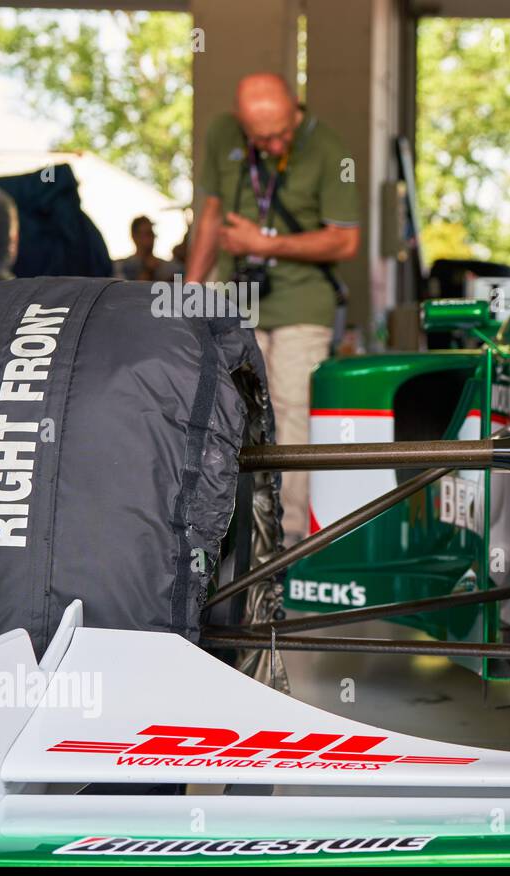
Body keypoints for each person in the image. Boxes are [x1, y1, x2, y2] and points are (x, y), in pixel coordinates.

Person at [187, 73, 361, 545]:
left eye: (283, 131)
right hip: (236, 299)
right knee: (227, 413)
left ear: (294, 110)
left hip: (301, 303)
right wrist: (190, 288)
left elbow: (346, 239)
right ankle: (228, 538)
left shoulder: (330, 150)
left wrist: (265, 242)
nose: (276, 142)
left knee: (289, 416)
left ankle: (285, 544)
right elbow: (210, 214)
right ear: (243, 126)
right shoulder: (222, 134)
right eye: (263, 138)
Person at [113, 216, 179, 281]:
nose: (152, 238)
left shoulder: (168, 267)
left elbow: (180, 284)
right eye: (148, 234)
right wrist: (148, 270)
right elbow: (125, 290)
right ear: (134, 236)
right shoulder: (122, 266)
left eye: (153, 234)